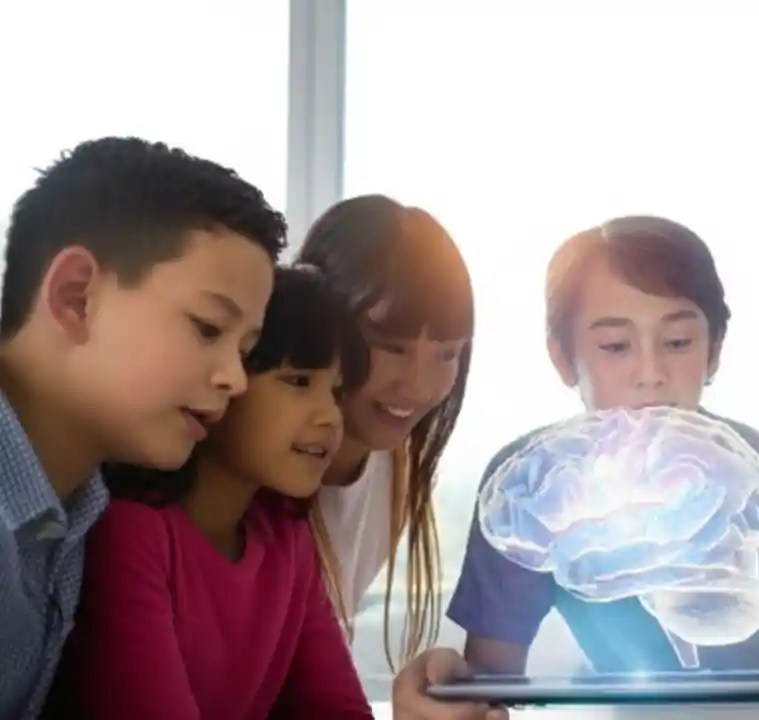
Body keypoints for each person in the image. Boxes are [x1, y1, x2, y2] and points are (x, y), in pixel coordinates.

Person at [447, 215, 759, 719]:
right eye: (614, 346)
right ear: (562, 358)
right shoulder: (533, 482)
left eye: (677, 342)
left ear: (714, 350)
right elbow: (489, 683)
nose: (650, 375)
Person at [0, 136, 284, 720]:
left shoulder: (72, 511)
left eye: (246, 349)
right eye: (208, 328)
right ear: (76, 297)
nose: (236, 378)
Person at [46, 266, 372, 719]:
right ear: (224, 379)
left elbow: (339, 710)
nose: (330, 418)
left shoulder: (286, 540)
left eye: (335, 393)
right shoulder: (131, 530)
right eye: (299, 382)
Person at [296, 196, 478, 718]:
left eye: (447, 354)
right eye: (389, 346)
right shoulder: (248, 482)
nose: (419, 386)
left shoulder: (393, 461)